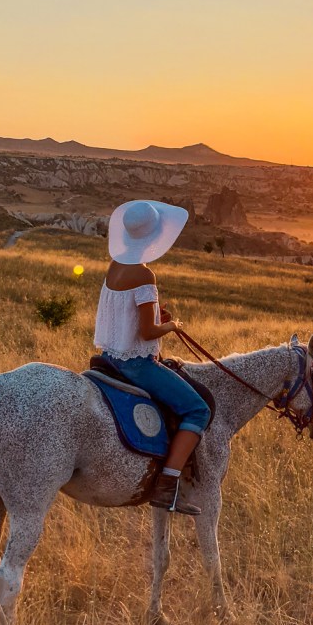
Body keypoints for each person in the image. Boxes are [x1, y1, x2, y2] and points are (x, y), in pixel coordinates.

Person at [93, 199, 211, 515]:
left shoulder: (114, 265)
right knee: (197, 410)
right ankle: (168, 483)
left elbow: (124, 313)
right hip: (136, 365)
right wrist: (170, 325)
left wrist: (157, 315)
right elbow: (146, 334)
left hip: (109, 357)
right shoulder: (146, 276)